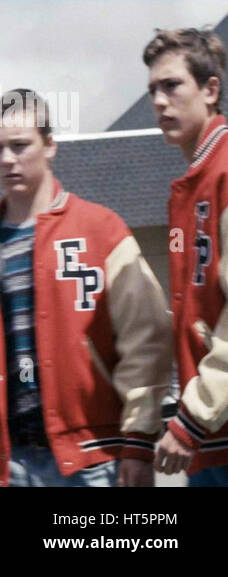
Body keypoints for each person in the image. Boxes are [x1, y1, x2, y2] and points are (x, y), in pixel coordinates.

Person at [0, 89, 171, 487]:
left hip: (97, 459)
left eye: (20, 145)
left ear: (50, 146)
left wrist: (139, 441)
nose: (7, 159)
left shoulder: (100, 230)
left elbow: (146, 338)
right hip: (8, 467)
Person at [146, 28, 228, 485]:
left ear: (210, 89)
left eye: (172, 85)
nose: (159, 101)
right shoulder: (187, 189)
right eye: (152, 90)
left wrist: (192, 417)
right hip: (213, 439)